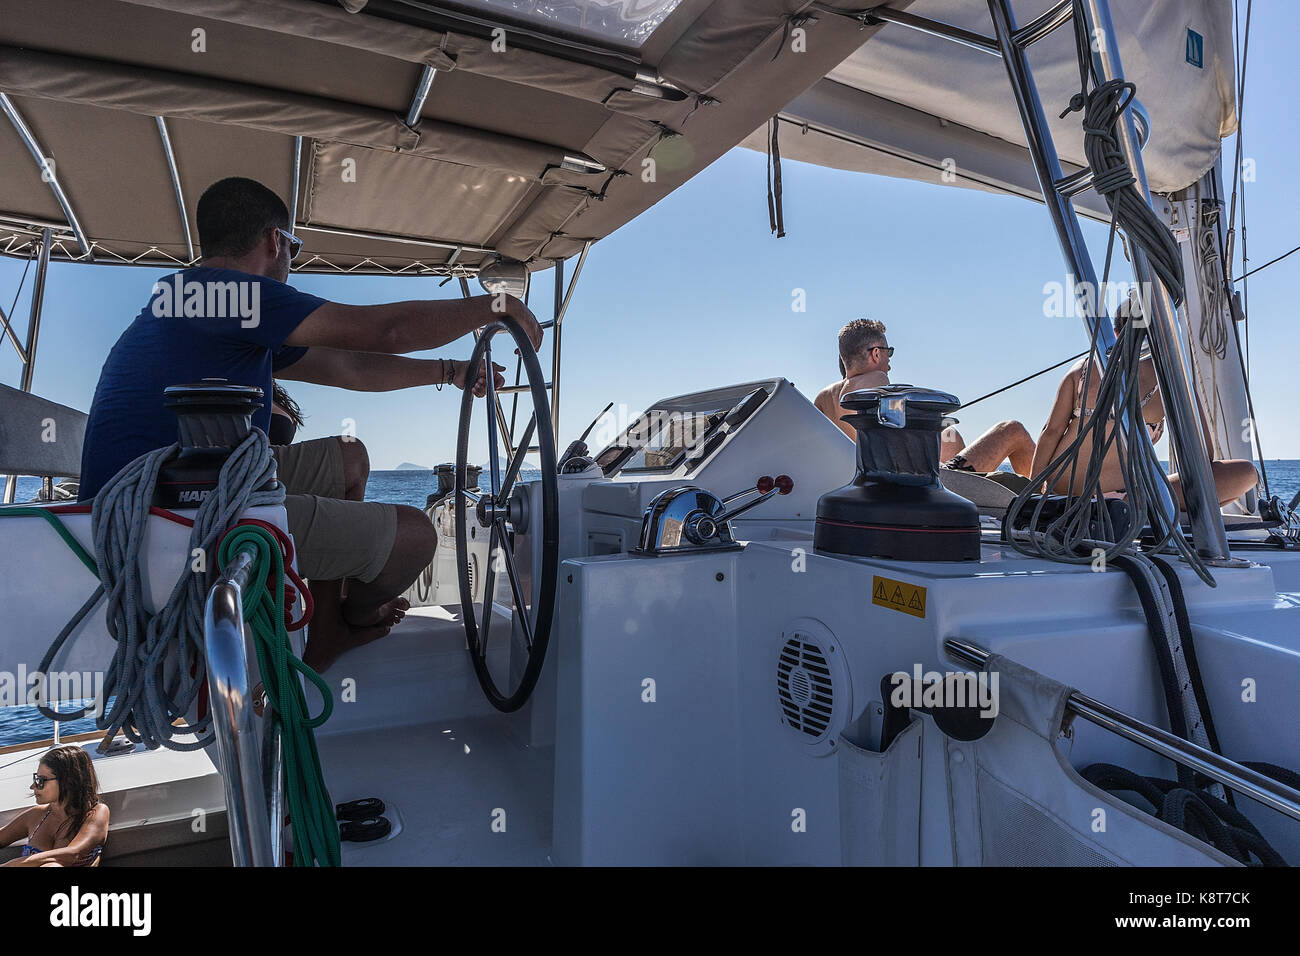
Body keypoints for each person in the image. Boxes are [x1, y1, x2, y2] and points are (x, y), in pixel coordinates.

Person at [79, 177, 542, 671]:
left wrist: (451, 372)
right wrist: (498, 306)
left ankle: (324, 626)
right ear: (275, 240)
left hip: (174, 494)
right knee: (415, 537)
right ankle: (355, 620)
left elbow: (349, 366)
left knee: (349, 456)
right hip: (169, 522)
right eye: (293, 248)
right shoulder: (231, 294)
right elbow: (386, 332)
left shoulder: (196, 300)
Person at [1031, 310, 1258, 507]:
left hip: (1062, 491)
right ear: (1162, 334)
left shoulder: (1082, 370)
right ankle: (1171, 511)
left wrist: (1031, 494)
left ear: (1116, 333)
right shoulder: (1171, 378)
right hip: (1125, 499)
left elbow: (1051, 432)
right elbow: (1202, 456)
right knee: (1246, 474)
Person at [814, 318, 1035, 474]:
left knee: (948, 433)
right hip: (931, 485)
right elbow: (895, 446)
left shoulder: (824, 398)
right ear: (876, 353)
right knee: (1012, 430)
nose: (889, 362)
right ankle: (1047, 507)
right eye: (888, 352)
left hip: (869, 484)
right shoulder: (876, 381)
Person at [0, 745, 110, 867]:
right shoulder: (35, 816)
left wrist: (12, 864)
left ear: (68, 781)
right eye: (36, 778)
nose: (33, 786)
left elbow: (73, 853)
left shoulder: (96, 813)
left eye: (41, 780)